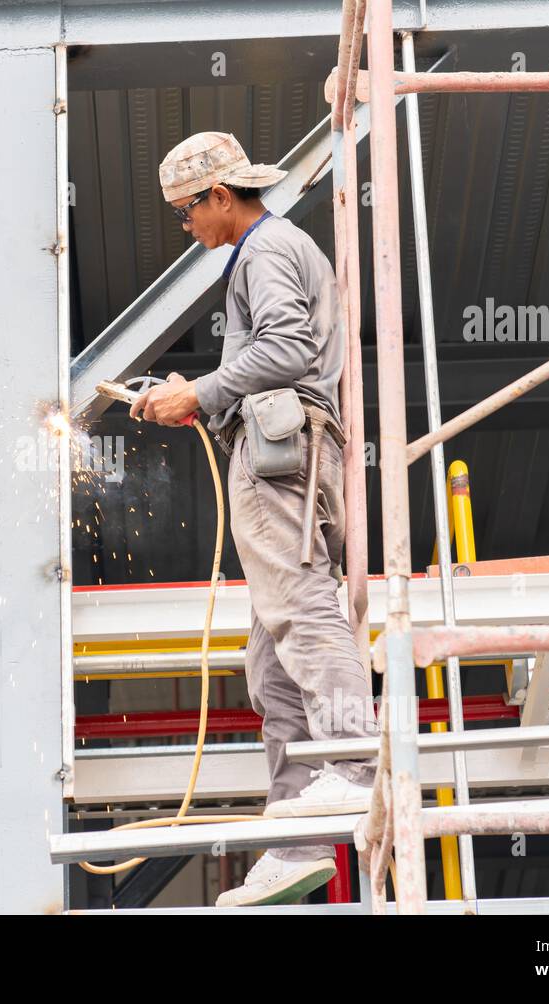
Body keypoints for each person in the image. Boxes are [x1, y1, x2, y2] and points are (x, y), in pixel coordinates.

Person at [130, 132, 378, 908]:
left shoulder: (266, 248)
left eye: (186, 212)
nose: (186, 228)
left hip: (283, 454)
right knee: (272, 661)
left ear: (220, 197)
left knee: (301, 608)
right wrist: (198, 394)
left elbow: (288, 345)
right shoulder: (273, 249)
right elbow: (279, 349)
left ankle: (353, 767)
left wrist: (200, 394)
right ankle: (300, 836)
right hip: (280, 447)